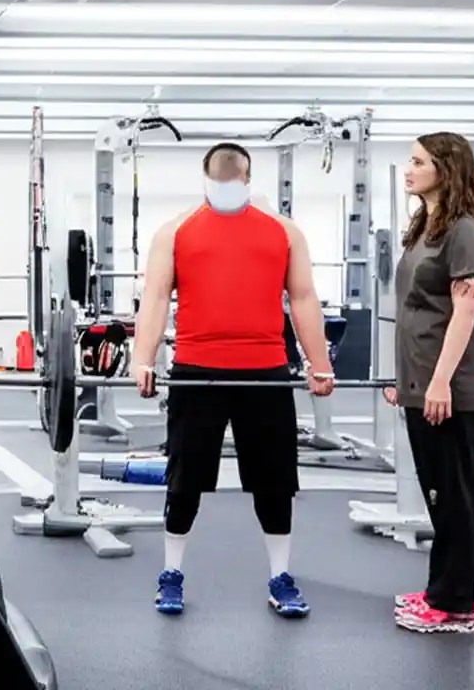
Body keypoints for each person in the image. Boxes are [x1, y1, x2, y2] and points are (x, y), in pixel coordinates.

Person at [130, 142, 334, 619]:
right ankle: (171, 573)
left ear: (247, 180)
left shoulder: (284, 232)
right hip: (196, 372)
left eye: (231, 180)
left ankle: (280, 577)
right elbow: (155, 298)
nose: (224, 188)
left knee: (275, 481)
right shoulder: (174, 231)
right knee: (184, 480)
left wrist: (318, 362)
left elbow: (303, 298)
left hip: (265, 373)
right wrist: (142, 359)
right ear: (206, 181)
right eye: (217, 182)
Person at [387, 132, 474, 634]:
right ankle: (439, 590)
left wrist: (440, 382)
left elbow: (465, 311)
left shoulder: (465, 230)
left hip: (448, 386)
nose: (408, 170)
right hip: (421, 382)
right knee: (437, 495)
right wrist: (406, 381)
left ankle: (456, 605)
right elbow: (416, 311)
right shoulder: (425, 226)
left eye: (418, 162)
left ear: (445, 169)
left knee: (454, 495)